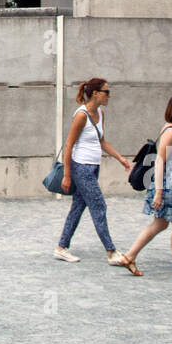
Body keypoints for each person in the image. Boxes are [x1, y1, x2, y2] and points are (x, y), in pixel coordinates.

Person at [114, 92, 172, 281]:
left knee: (160, 223)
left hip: (170, 184)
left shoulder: (171, 129)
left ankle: (130, 256)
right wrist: (160, 193)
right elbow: (160, 161)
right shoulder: (171, 132)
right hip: (171, 185)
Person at [53, 77, 134, 265]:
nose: (109, 96)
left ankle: (61, 247)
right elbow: (69, 145)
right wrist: (67, 174)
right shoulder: (81, 115)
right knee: (99, 206)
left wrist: (120, 158)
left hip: (93, 167)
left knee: (78, 208)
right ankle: (111, 252)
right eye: (107, 92)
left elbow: (101, 140)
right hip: (80, 168)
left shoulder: (100, 113)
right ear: (96, 93)